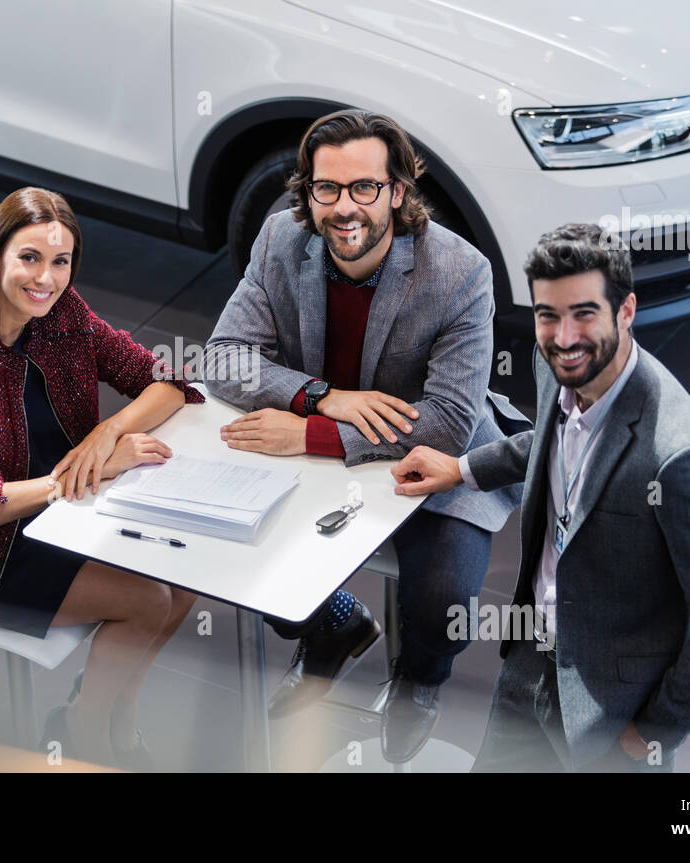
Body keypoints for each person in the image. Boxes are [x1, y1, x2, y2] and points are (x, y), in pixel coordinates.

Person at [205, 109, 529, 763]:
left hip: (431, 463)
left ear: (397, 192)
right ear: (308, 192)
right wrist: (322, 396)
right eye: (327, 189)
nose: (344, 207)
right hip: (319, 439)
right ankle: (334, 625)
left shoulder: (458, 271)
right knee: (245, 559)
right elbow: (224, 359)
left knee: (441, 603)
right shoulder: (279, 240)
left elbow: (444, 422)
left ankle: (418, 680)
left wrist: (312, 433)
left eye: (364, 188)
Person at [391, 222, 690, 771]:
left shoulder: (679, 457)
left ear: (626, 310)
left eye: (584, 314)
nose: (564, 336)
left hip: (610, 717)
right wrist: (462, 468)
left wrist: (651, 733)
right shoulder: (556, 365)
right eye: (548, 315)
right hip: (528, 665)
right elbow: (549, 439)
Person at [0, 187, 203, 769]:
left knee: (184, 579)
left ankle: (117, 715)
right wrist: (98, 470)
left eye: (60, 261)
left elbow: (169, 384)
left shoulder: (62, 315)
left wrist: (103, 435)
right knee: (146, 602)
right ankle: (83, 732)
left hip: (58, 514)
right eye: (29, 258)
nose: (46, 278)